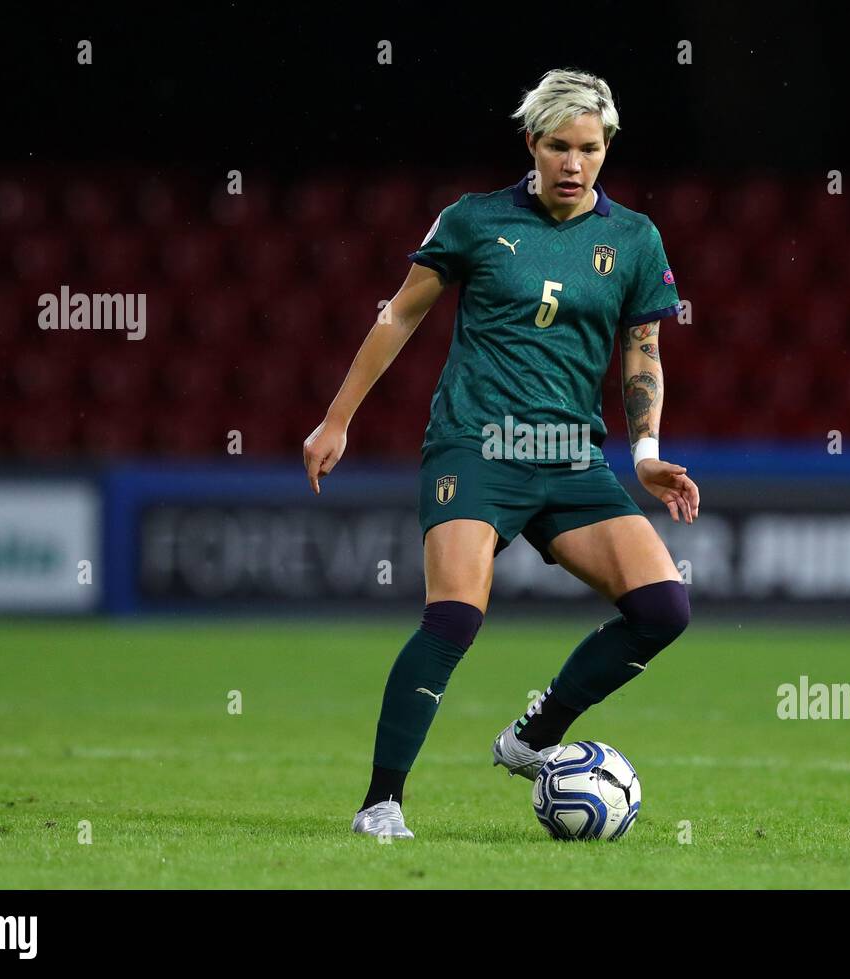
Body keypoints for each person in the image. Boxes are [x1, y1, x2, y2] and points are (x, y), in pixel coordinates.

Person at [303, 68, 699, 839]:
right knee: (454, 615)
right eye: (558, 146)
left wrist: (647, 453)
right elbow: (398, 317)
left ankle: (532, 738)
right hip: (477, 446)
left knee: (663, 606)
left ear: (607, 147)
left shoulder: (634, 239)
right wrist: (336, 418)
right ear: (532, 143)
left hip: (570, 455)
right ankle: (381, 802)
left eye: (589, 147)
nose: (573, 163)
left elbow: (642, 350)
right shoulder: (474, 221)